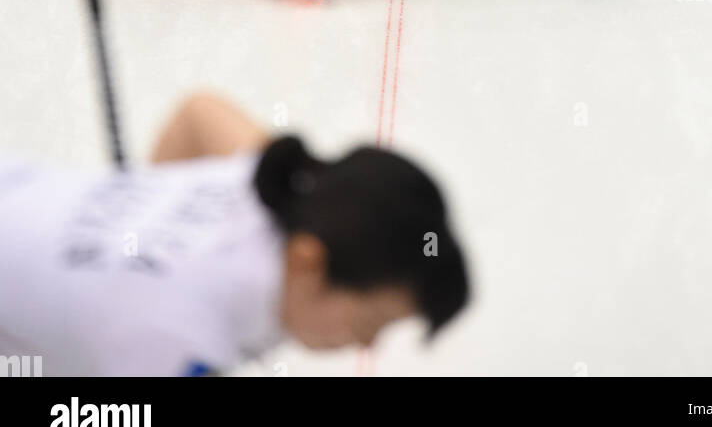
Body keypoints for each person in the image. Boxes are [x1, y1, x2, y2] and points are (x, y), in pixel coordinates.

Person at [0, 92, 468, 376]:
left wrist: (141, 234)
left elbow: (200, 114)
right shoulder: (179, 339)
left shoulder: (278, 186)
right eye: (370, 324)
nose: (369, 347)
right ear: (308, 262)